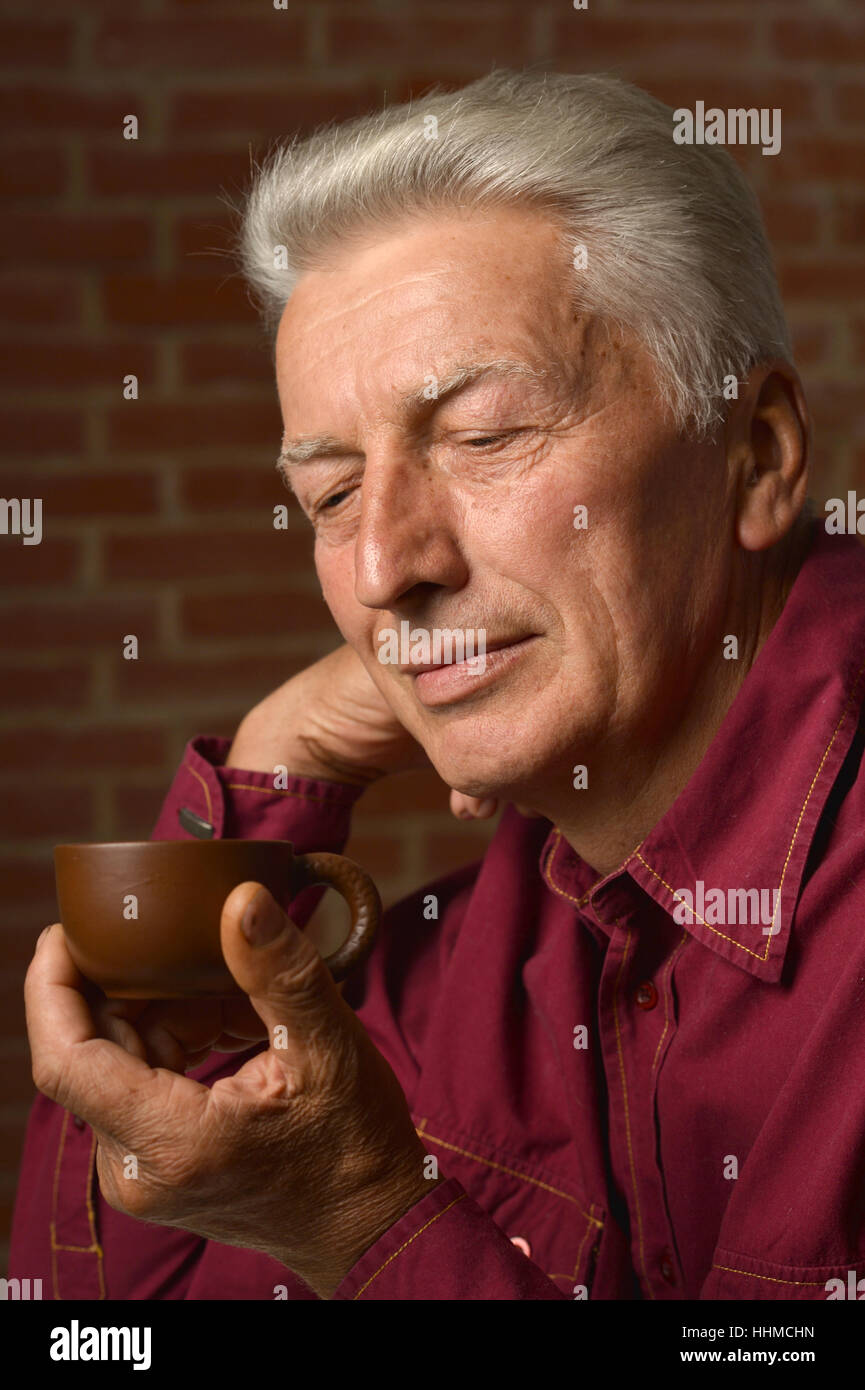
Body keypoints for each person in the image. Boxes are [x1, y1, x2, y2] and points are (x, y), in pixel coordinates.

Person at [10, 69, 865, 1301]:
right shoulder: (471, 948)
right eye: (332, 494)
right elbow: (106, 1321)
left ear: (759, 456)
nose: (383, 568)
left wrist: (367, 1228)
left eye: (482, 437)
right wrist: (279, 759)